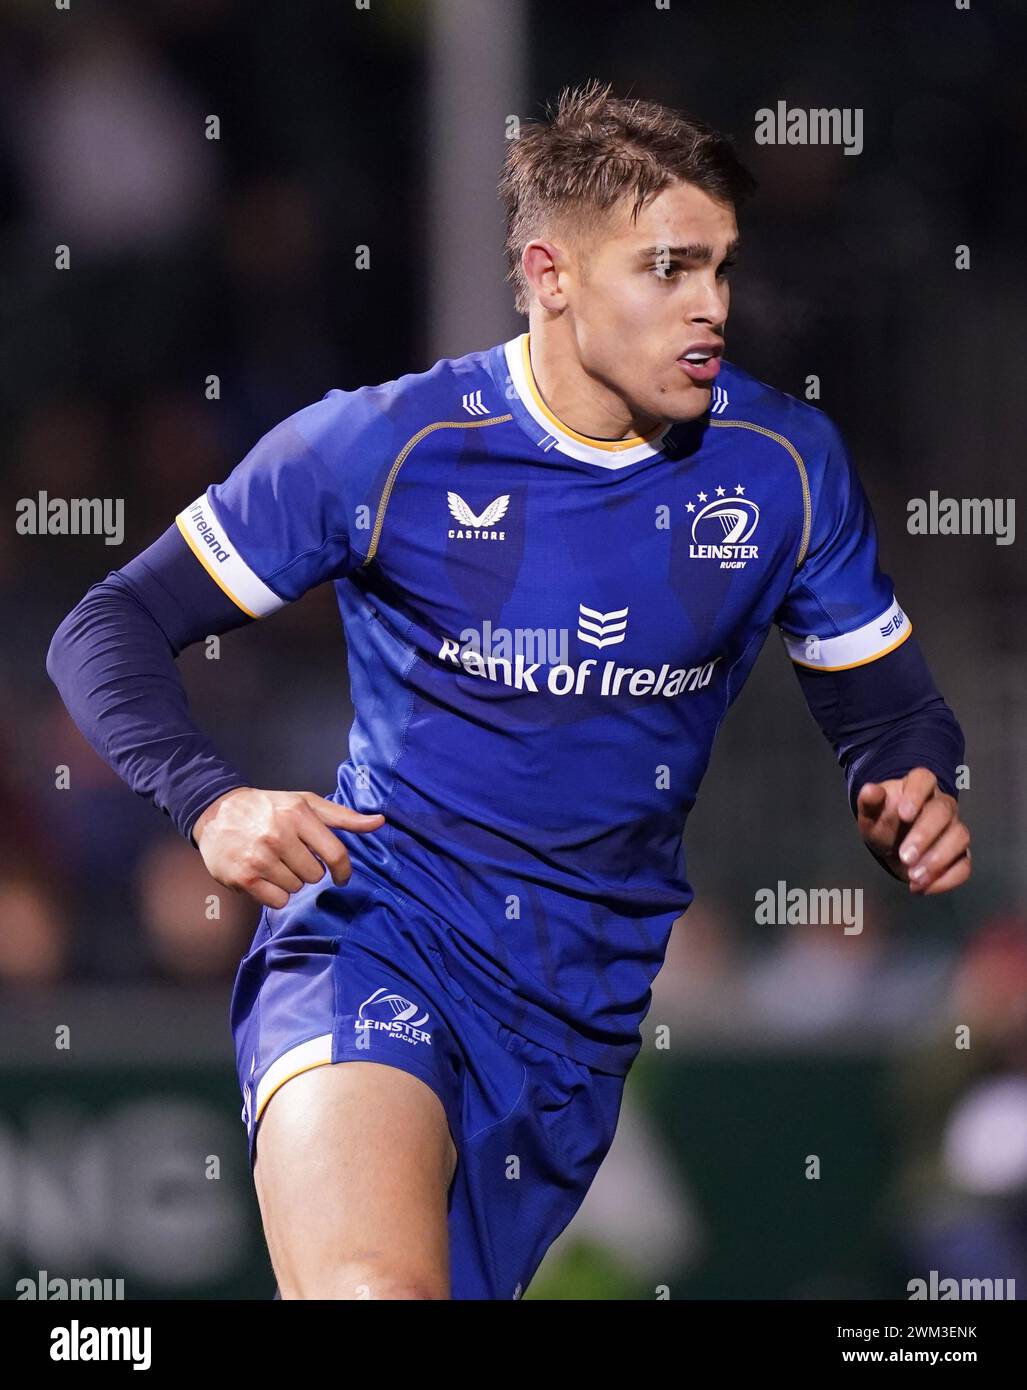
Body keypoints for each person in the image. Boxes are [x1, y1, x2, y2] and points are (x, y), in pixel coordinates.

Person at [46, 79, 971, 1300]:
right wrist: (212, 800)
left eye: (721, 270)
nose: (711, 308)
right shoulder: (385, 447)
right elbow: (107, 623)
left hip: (576, 1017)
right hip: (375, 931)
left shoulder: (783, 468)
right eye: (668, 269)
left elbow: (888, 707)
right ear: (549, 274)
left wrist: (906, 781)